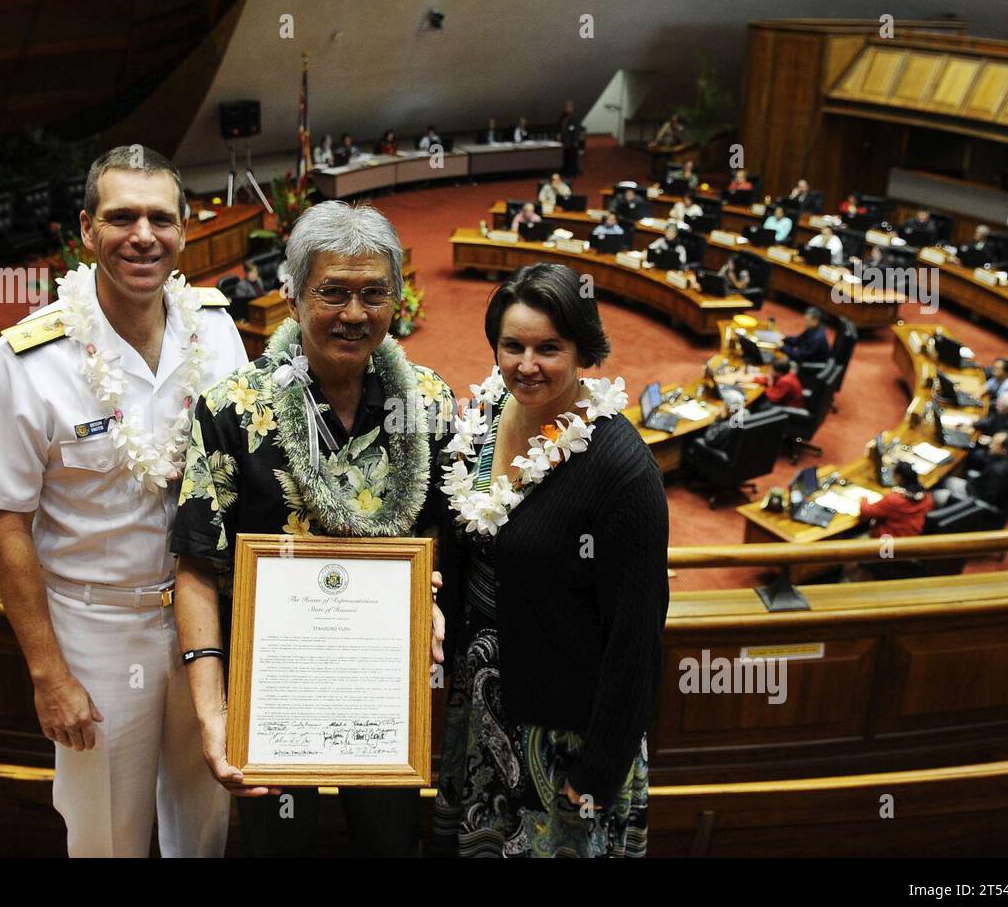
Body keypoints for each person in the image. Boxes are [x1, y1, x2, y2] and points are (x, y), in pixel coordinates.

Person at [0, 145, 248, 858]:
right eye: (121, 218)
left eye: (160, 218)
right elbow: (5, 524)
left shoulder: (217, 328)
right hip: (97, 629)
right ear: (86, 230)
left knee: (208, 820)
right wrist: (49, 673)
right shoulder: (26, 360)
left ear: (184, 230)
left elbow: (249, 470)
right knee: (105, 836)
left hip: (205, 617)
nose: (142, 235)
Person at [170, 201, 455, 857]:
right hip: (273, 693)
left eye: (373, 292)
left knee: (391, 846)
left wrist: (431, 596)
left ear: (397, 299)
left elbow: (441, 527)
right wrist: (213, 715)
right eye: (332, 292)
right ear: (292, 296)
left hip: (385, 689)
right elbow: (194, 564)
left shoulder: (430, 403)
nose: (354, 314)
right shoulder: (233, 410)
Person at [434, 261, 668, 857]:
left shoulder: (621, 470)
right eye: (512, 346)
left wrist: (596, 771)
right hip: (483, 712)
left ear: (583, 349)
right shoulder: (482, 420)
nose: (526, 365)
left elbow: (635, 638)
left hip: (564, 733)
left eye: (549, 348)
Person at [934, 430, 1008, 505]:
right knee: (945, 480)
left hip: (973, 499)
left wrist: (955, 497)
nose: (990, 445)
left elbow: (985, 500)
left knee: (934, 494)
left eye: (994, 444)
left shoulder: (997, 472)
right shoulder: (1007, 460)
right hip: (974, 486)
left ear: (1004, 450)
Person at [859, 459, 931, 538]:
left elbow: (866, 511)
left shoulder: (894, 500)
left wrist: (863, 499)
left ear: (899, 477)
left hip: (890, 541)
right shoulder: (927, 496)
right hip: (912, 535)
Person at [558, 101, 581, 177]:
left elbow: (576, 129)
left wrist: (575, 141)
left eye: (568, 107)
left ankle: (572, 172)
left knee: (572, 158)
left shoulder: (574, 117)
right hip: (565, 141)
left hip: (571, 141)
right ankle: (566, 171)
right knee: (566, 157)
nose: (566, 109)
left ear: (571, 108)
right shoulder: (563, 116)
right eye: (566, 107)